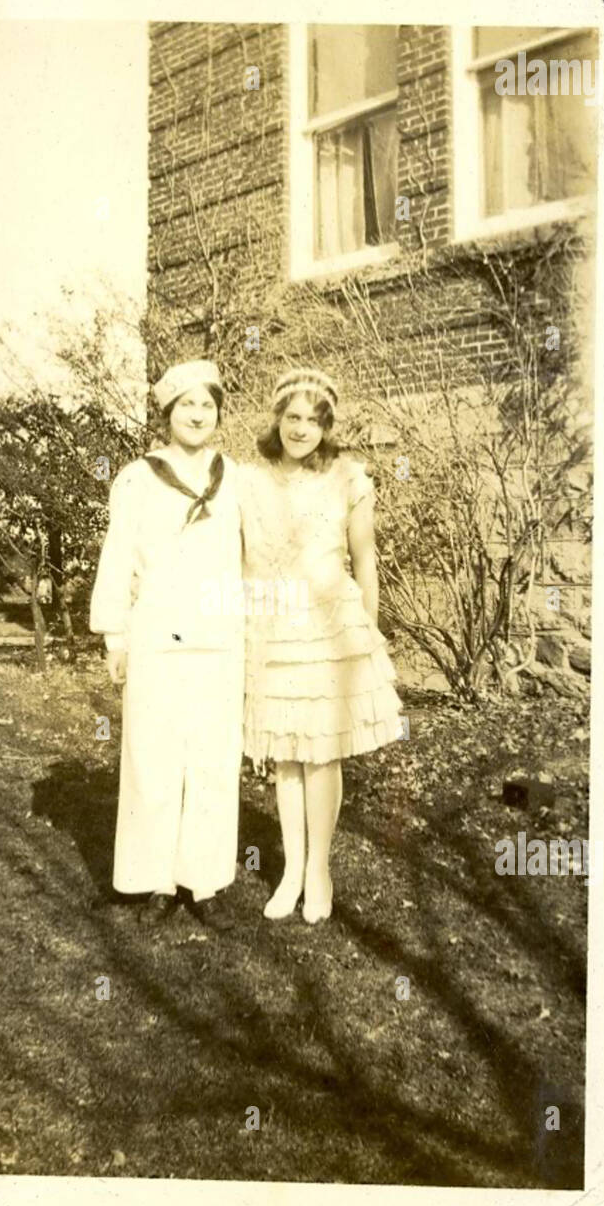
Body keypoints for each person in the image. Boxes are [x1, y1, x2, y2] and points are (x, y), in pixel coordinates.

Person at [238, 368, 403, 924]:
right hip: (277, 629)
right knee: (286, 751)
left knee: (322, 752)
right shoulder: (253, 482)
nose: (301, 428)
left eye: (313, 419)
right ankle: (289, 870)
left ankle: (319, 870)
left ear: (326, 426)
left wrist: (369, 630)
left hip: (331, 628)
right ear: (277, 421)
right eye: (292, 417)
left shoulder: (349, 478)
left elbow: (366, 557)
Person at [89, 359, 243, 930]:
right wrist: (114, 634)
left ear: (218, 414)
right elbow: (119, 556)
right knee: (151, 756)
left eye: (207, 405)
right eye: (187, 405)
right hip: (156, 635)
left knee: (211, 759)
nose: (198, 415)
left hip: (218, 640)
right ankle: (149, 877)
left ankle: (201, 880)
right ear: (168, 414)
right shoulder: (136, 477)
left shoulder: (237, 480)